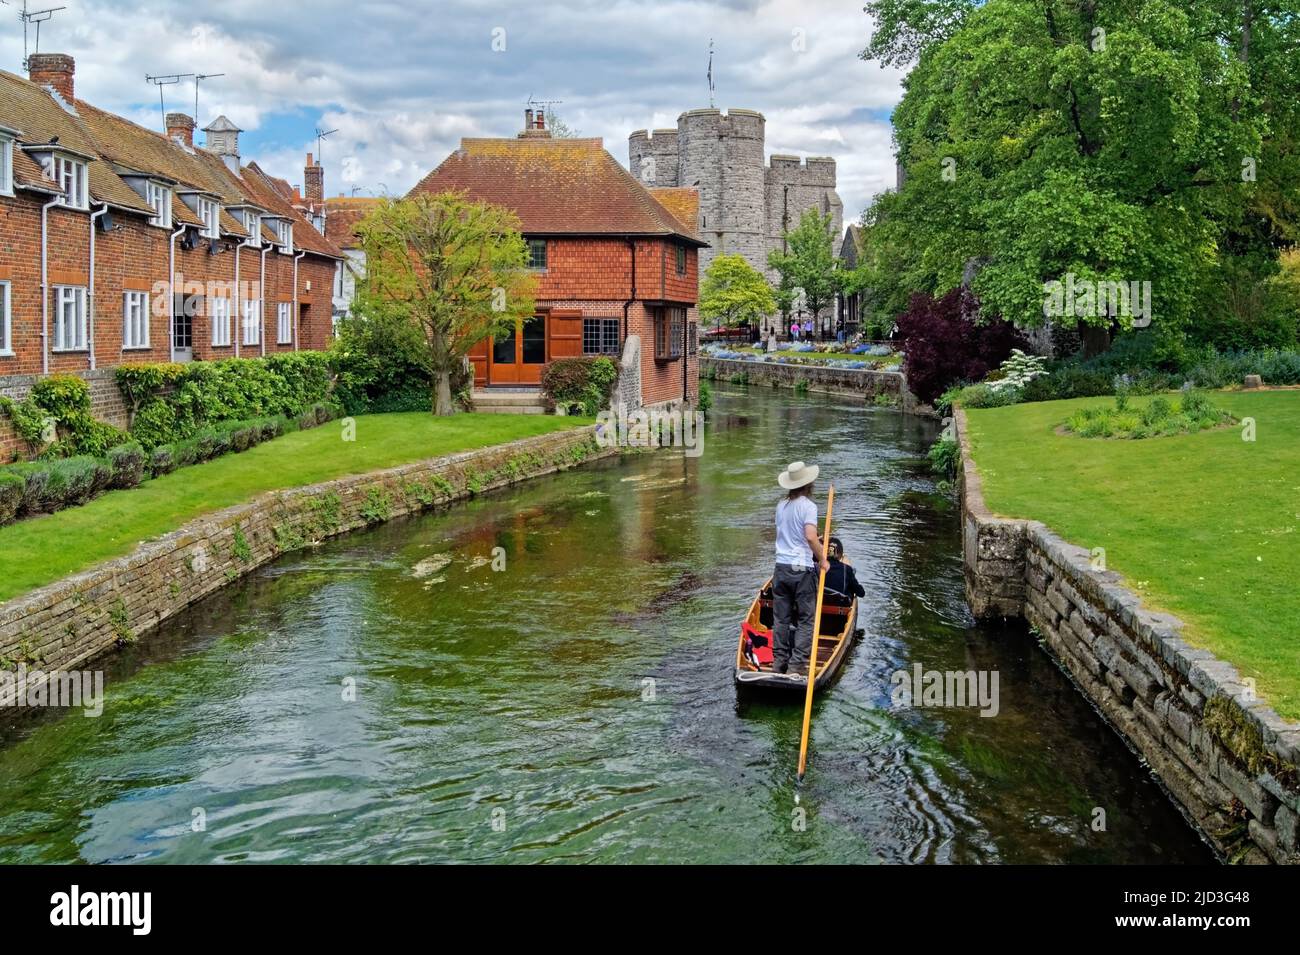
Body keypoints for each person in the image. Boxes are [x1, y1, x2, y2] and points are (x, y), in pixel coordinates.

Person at [771, 461, 829, 676]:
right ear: (809, 484)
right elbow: (810, 536)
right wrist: (823, 558)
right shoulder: (808, 506)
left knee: (781, 619)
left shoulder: (781, 505)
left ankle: (779, 663)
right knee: (806, 619)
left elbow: (787, 534)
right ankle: (796, 667)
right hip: (800, 569)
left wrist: (812, 543)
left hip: (781, 567)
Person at [823, 537, 865, 607]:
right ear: (840, 554)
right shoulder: (847, 569)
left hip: (820, 603)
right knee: (850, 587)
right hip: (840, 607)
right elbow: (861, 593)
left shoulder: (817, 566)